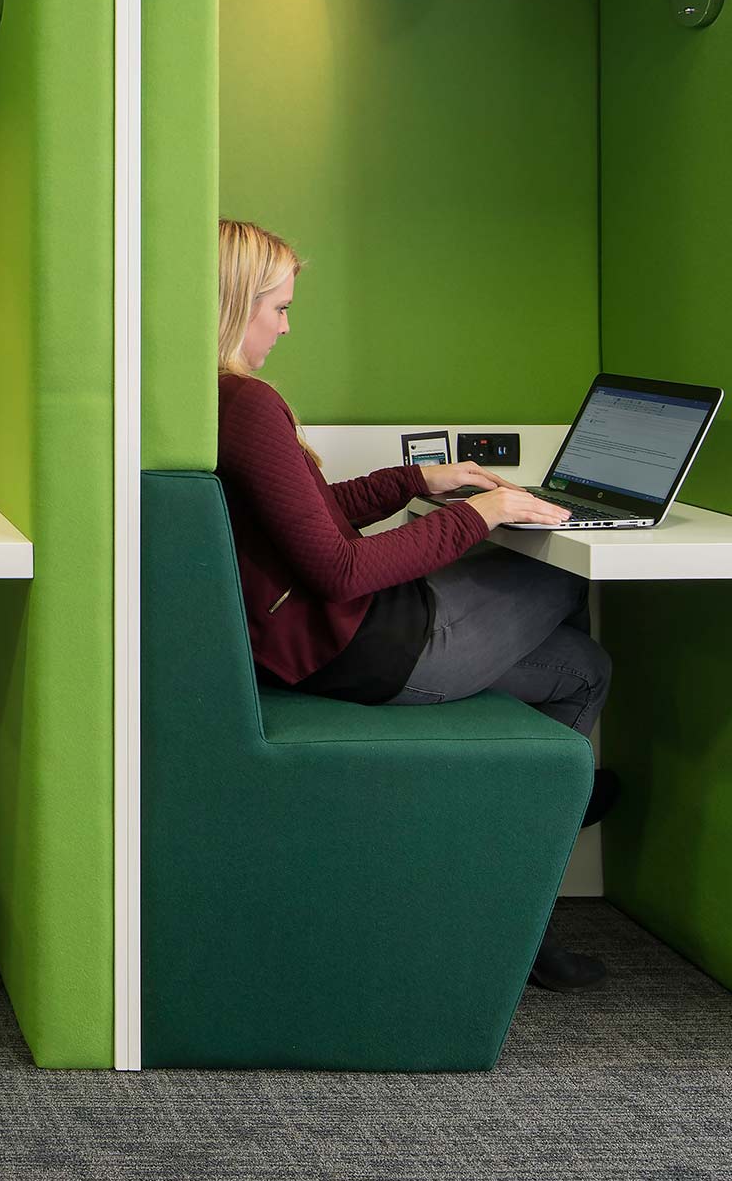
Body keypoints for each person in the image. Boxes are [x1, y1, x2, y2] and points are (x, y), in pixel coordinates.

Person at [213, 217, 618, 993]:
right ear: (235, 305)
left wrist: (414, 482)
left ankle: (530, 857)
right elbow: (335, 567)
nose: (286, 328)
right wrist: (485, 514)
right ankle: (538, 822)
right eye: (279, 309)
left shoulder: (211, 402)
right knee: (566, 575)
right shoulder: (249, 403)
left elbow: (303, 515)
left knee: (583, 670)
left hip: (330, 646)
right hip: (369, 648)